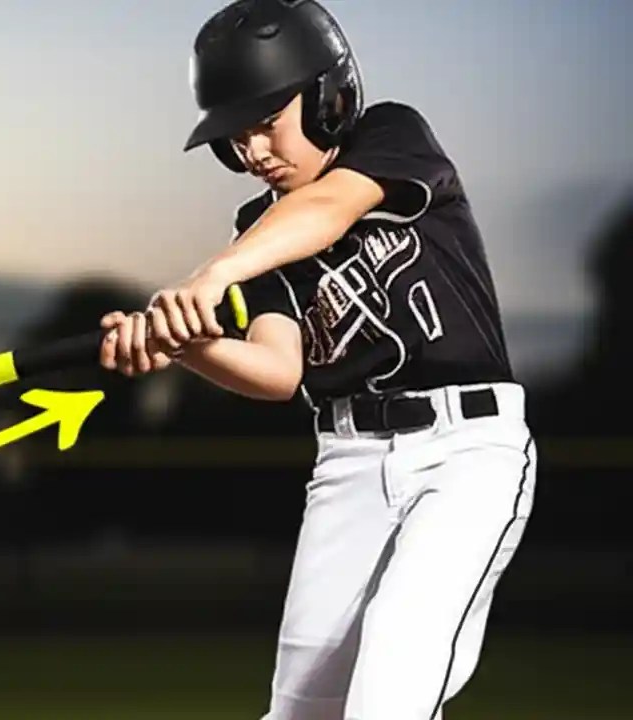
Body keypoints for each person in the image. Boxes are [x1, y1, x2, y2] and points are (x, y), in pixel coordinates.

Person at [97, 1, 536, 718]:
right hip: (349, 464)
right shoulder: (255, 228)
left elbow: (330, 208)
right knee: (301, 705)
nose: (254, 152)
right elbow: (280, 371)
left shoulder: (392, 137)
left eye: (267, 123)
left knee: (394, 664)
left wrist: (212, 278)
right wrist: (187, 341)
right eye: (236, 138)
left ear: (329, 100)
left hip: (467, 453)